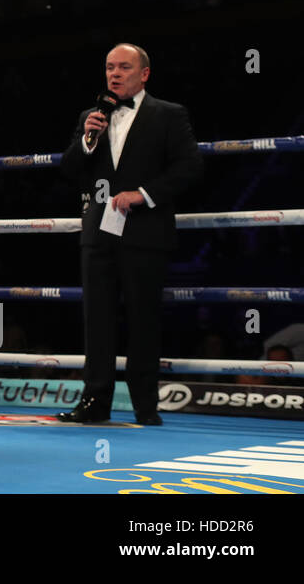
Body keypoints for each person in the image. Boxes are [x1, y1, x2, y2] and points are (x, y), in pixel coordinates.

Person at [58, 43, 202, 425]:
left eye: (124, 67)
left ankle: (144, 405)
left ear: (144, 74)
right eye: (109, 67)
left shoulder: (169, 115)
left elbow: (189, 167)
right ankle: (95, 403)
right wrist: (87, 139)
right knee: (97, 320)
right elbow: (70, 169)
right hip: (98, 233)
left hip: (145, 232)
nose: (115, 74)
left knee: (143, 319)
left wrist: (143, 194)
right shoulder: (92, 116)